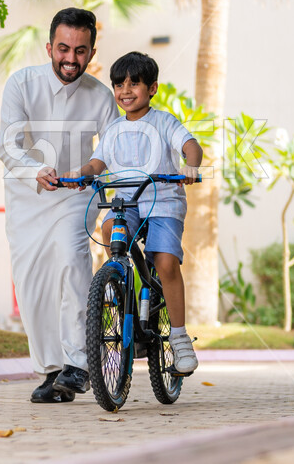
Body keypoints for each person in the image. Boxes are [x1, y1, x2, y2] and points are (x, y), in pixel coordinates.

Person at [0, 7, 118, 403]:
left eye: (81, 51)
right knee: (32, 287)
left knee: (71, 262)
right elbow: (9, 146)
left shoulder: (101, 97)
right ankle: (53, 373)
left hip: (75, 194)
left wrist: (93, 168)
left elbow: (114, 147)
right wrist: (35, 171)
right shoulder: (21, 84)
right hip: (27, 198)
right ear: (50, 46)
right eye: (64, 48)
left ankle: (80, 364)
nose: (71, 59)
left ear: (92, 52)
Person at [62, 51, 202, 375]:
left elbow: (190, 145)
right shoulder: (112, 129)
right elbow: (97, 163)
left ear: (152, 88)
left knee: (165, 262)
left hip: (163, 199)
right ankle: (122, 282)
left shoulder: (164, 121)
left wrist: (190, 164)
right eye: (119, 84)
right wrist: (81, 174)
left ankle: (179, 338)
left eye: (134, 83)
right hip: (126, 200)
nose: (126, 90)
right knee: (111, 229)